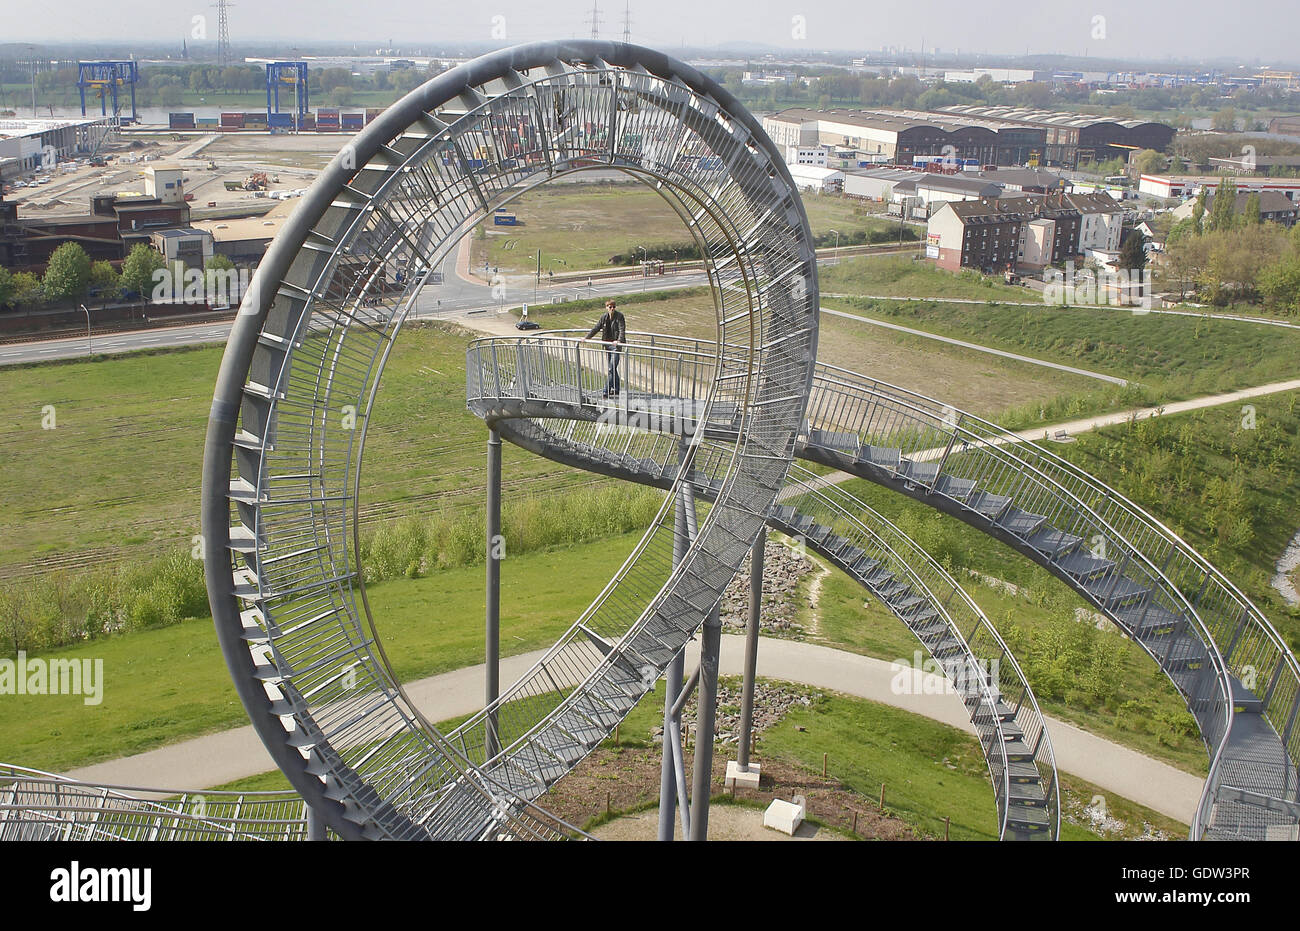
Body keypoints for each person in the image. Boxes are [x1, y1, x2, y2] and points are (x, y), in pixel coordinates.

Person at [585, 299, 626, 398]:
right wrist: (586, 338)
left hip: (616, 346)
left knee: (611, 368)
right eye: (610, 307)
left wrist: (619, 341)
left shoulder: (619, 316)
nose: (612, 309)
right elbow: (596, 328)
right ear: (606, 307)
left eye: (613, 307)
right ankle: (616, 389)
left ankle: (606, 391)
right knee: (612, 368)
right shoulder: (604, 317)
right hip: (607, 345)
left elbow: (622, 329)